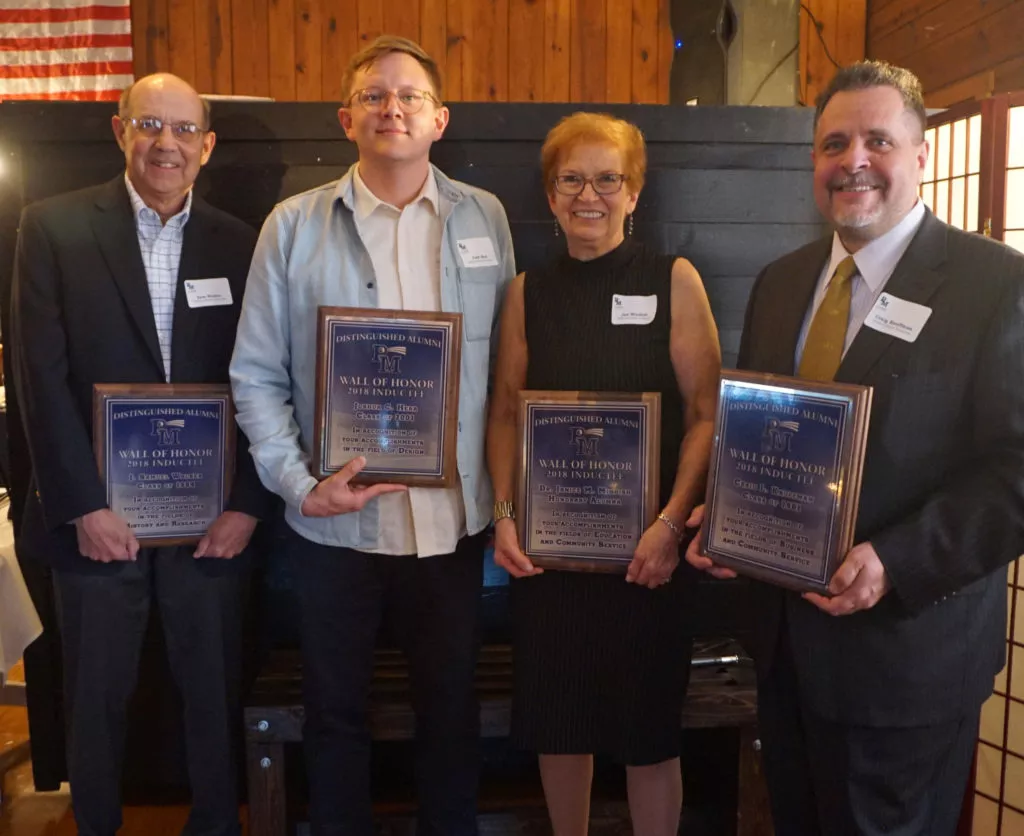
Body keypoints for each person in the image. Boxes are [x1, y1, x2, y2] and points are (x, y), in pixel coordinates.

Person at [686, 60, 1024, 835]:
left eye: (878, 140)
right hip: (785, 653)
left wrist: (896, 561)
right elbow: (767, 434)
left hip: (904, 664)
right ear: (814, 160)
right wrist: (729, 517)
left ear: (921, 155)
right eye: (834, 144)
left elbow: (1018, 469)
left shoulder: (995, 284)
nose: (854, 161)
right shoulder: (781, 283)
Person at [229, 35, 515, 836]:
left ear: (439, 119)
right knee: (335, 716)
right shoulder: (293, 226)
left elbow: (506, 372)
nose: (393, 108)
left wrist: (505, 498)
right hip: (334, 528)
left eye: (410, 96)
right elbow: (256, 374)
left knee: (450, 712)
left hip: (449, 525)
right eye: (375, 95)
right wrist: (299, 485)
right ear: (346, 117)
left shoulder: (484, 217)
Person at [10, 73, 271, 836]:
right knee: (94, 697)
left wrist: (247, 506)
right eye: (150, 124)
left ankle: (217, 824)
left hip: (212, 523)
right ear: (120, 130)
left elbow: (266, 376)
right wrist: (83, 505)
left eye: (184, 130)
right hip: (95, 520)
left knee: (213, 690)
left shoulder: (242, 242)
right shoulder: (53, 227)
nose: (167, 144)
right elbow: (37, 378)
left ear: (207, 146)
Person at [485, 112, 721, 836]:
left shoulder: (673, 279)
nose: (589, 195)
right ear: (550, 195)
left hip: (649, 555)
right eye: (571, 180)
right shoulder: (527, 291)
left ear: (634, 192)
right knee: (559, 724)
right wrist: (504, 515)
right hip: (551, 557)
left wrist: (670, 526)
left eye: (608, 179)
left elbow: (706, 412)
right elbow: (505, 410)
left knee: (648, 732)